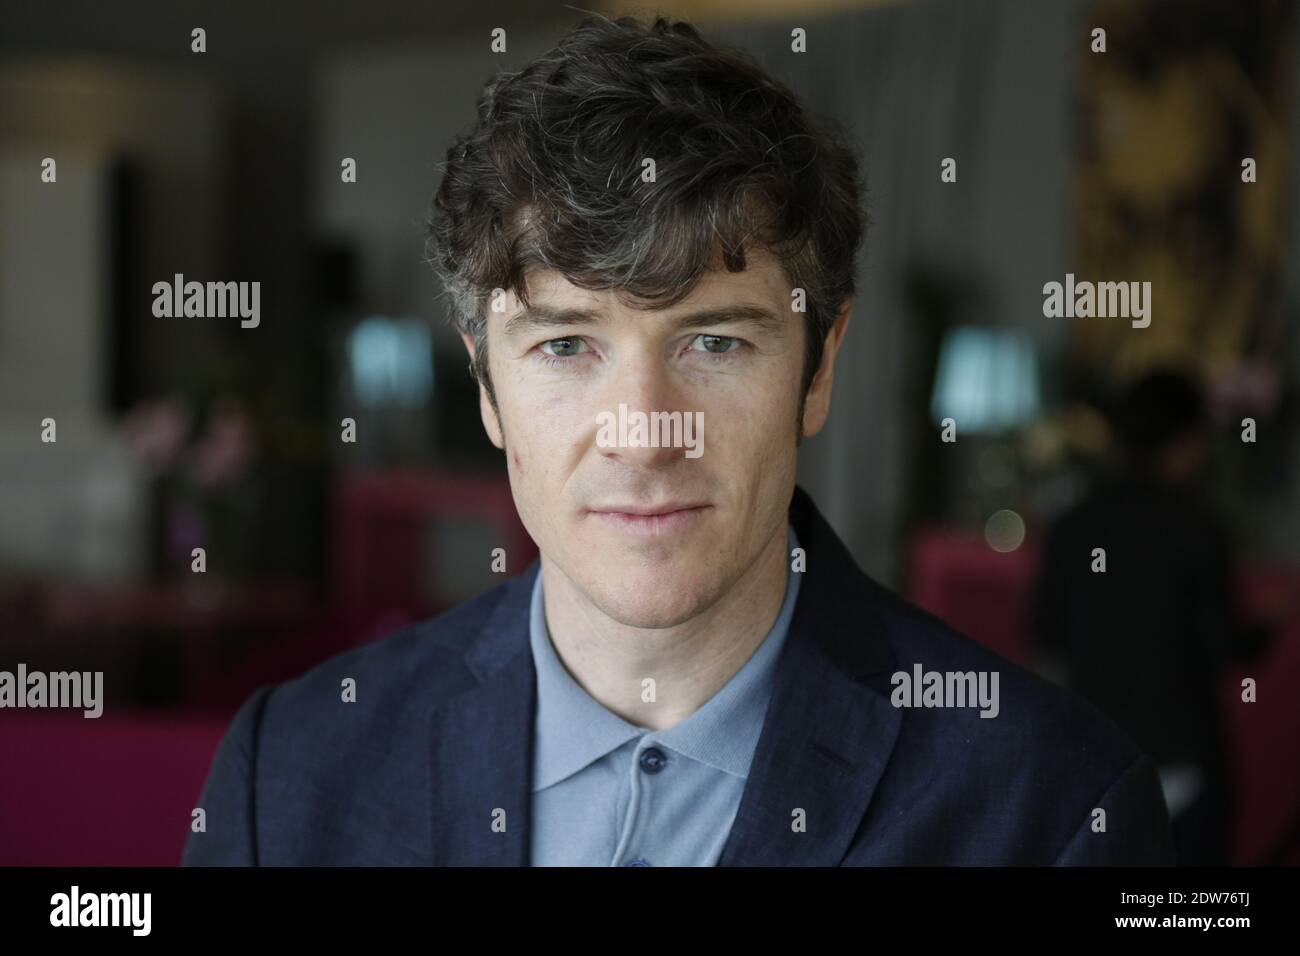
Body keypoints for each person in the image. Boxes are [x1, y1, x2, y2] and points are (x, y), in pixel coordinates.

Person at [184, 15, 1172, 866]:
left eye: (712, 340)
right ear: (487, 382)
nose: (644, 432)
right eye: (567, 342)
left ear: (818, 366)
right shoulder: (293, 773)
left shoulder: (1051, 807)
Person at [1032, 367, 1267, 865]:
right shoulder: (1198, 530)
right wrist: (1269, 624)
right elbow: (1225, 647)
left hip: (1095, 759)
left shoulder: (1073, 526)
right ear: (1185, 443)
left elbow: (1046, 638)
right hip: (1184, 759)